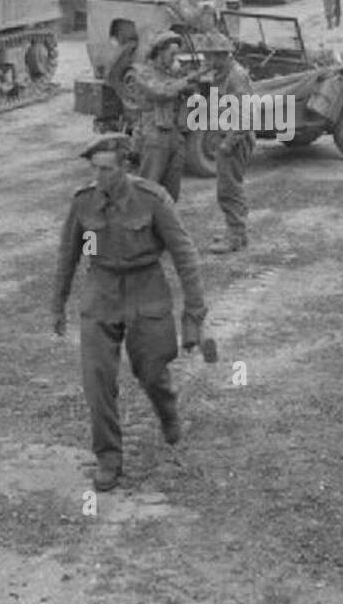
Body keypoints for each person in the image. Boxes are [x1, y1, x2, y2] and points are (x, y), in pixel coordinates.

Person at [51, 135, 207, 492]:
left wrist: (194, 314)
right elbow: (68, 256)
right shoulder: (84, 201)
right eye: (95, 168)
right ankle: (109, 457)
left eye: (107, 169)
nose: (99, 176)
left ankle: (166, 409)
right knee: (96, 380)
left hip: (145, 288)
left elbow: (185, 255)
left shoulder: (152, 200)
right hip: (101, 291)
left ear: (125, 167)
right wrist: (57, 305)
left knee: (151, 371)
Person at [196, 31, 254, 253]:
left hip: (235, 139)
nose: (205, 61)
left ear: (220, 56)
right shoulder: (224, 73)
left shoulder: (235, 76)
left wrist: (228, 143)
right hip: (228, 136)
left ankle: (236, 235)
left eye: (208, 57)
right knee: (229, 186)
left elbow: (245, 116)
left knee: (229, 188)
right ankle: (237, 232)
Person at [130, 31, 200, 199]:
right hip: (154, 135)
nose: (174, 58)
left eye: (177, 54)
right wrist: (184, 83)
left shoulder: (172, 74)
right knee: (148, 187)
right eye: (171, 54)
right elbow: (161, 91)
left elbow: (186, 94)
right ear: (159, 52)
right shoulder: (143, 72)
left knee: (171, 192)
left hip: (175, 135)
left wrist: (191, 85)